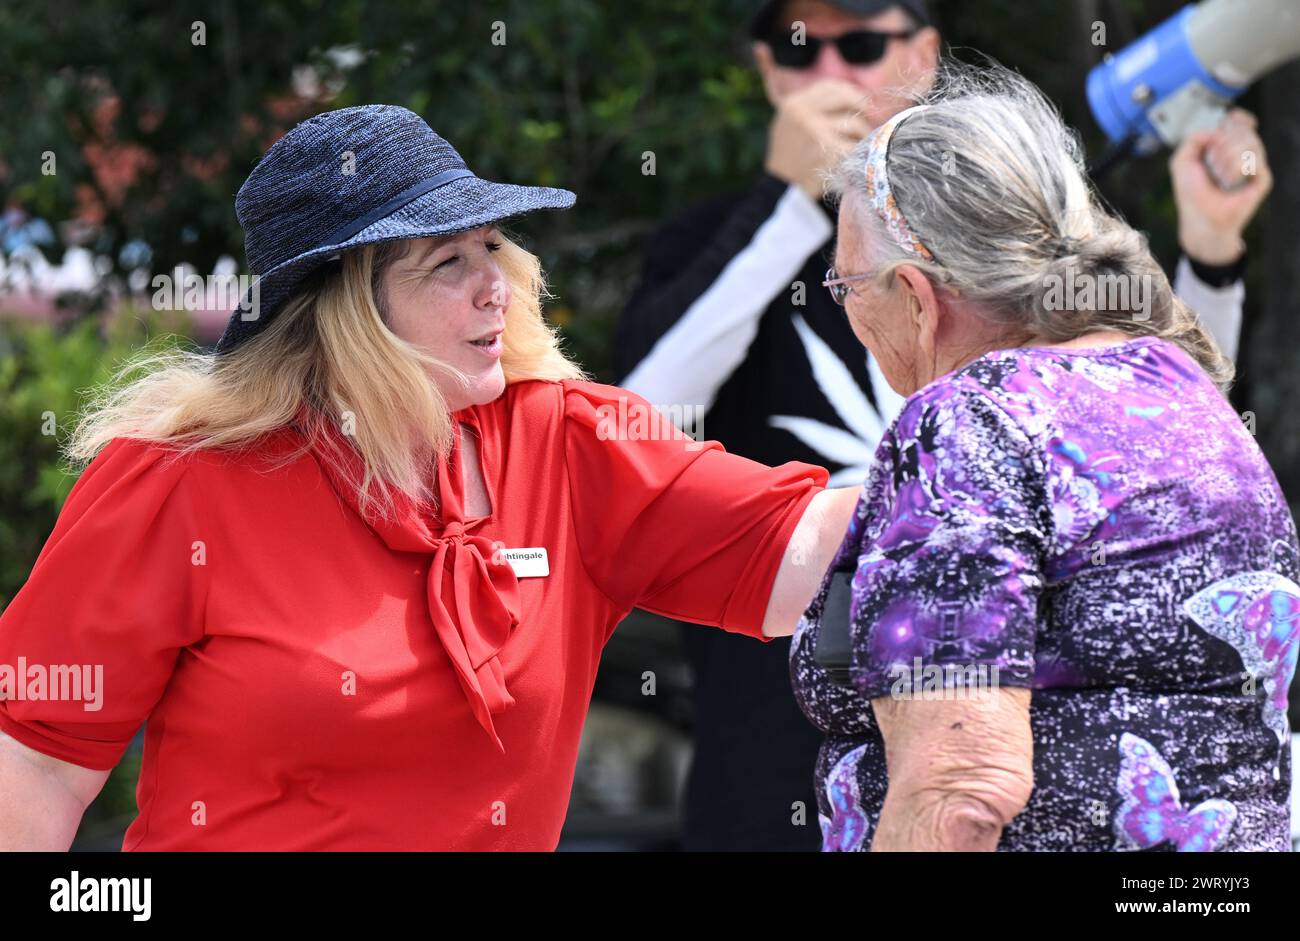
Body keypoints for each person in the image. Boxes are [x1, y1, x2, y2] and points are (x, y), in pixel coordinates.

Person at [0, 105, 861, 851]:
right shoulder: (177, 482)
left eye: (492, 245)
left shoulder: (571, 442)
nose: (498, 287)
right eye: (447, 262)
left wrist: (975, 426)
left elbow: (808, 554)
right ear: (344, 315)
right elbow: (33, 760)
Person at [616, 0, 1271, 852]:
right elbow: (640, 425)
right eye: (798, 47)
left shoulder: (963, 412)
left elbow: (963, 787)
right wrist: (787, 205)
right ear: (767, 70)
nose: (829, 71)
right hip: (772, 761)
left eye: (859, 44)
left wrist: (1212, 250)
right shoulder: (711, 240)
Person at [792, 61, 1297, 851]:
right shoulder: (1178, 381)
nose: (848, 308)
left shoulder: (968, 422)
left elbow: (958, 789)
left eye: (848, 285)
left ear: (919, 298)